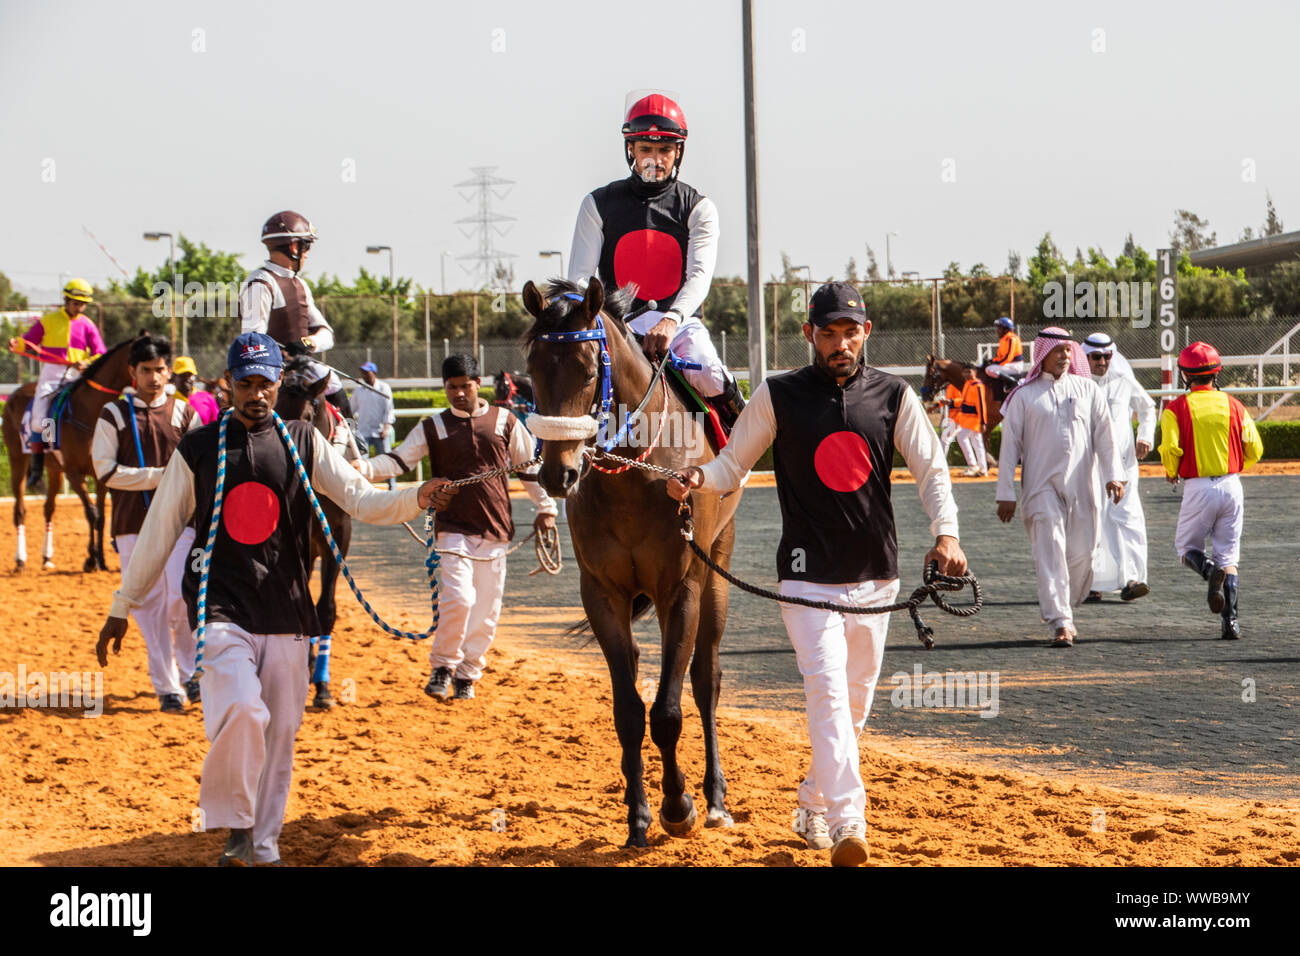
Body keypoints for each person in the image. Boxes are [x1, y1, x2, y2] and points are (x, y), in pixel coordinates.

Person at [96, 331, 455, 866]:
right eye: (246, 383)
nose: (257, 393)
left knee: (281, 734)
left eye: (266, 382)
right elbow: (160, 531)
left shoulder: (305, 439)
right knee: (242, 709)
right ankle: (235, 824)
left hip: (288, 612)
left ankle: (262, 846)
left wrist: (415, 497)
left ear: (279, 382)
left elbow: (359, 498)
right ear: (228, 384)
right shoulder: (197, 447)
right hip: (220, 611)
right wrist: (123, 604)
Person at [666, 282, 965, 867]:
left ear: (866, 333)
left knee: (852, 705)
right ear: (810, 335)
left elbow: (931, 471)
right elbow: (733, 463)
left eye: (849, 332)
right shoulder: (779, 395)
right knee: (826, 694)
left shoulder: (895, 396)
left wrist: (947, 533)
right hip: (805, 578)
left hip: (877, 575)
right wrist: (699, 478)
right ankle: (849, 819)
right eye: (828, 333)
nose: (840, 343)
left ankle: (811, 804)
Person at [352, 354, 558, 701]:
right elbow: (400, 460)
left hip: (495, 529)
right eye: (452, 387)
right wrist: (363, 468)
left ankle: (468, 674)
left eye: (465, 385)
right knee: (459, 599)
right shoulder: (432, 426)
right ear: (444, 388)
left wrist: (547, 508)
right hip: (451, 527)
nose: (459, 393)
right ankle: (443, 667)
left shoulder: (504, 421)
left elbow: (528, 469)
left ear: (478, 384)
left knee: (486, 611)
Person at [566, 91, 745, 429]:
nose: (655, 159)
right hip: (619, 329)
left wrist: (671, 320)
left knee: (708, 371)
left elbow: (700, 277)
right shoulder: (596, 204)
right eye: (645, 149)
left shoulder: (698, 207)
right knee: (568, 373)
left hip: (678, 325)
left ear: (678, 151)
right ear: (630, 149)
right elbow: (579, 279)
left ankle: (740, 439)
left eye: (664, 150)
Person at [92, 335, 202, 710]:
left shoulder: (186, 413)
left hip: (181, 521)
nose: (154, 378)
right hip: (132, 523)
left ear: (168, 370)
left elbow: (201, 468)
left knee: (182, 598)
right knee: (148, 604)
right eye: (146, 371)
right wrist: (159, 476)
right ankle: (167, 686)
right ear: (132, 372)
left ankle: (190, 673)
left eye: (159, 370)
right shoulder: (113, 414)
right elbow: (105, 472)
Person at [995, 328, 1124, 647]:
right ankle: (1061, 622)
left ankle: (1066, 602)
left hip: (1083, 485)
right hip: (1040, 487)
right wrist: (1006, 493)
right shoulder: (1024, 397)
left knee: (1082, 553)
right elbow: (1009, 446)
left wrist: (1114, 475)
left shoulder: (1088, 389)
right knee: (1050, 548)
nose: (1065, 357)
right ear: (1043, 355)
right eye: (1059, 351)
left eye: (1068, 351)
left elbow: (1105, 437)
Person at [1159, 342, 1263, 640]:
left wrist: (1171, 471)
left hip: (1198, 487)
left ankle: (1207, 572)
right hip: (1232, 485)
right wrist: (1237, 464)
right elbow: (1254, 447)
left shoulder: (1175, 409)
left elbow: (1170, 448)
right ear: (1216, 373)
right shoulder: (1235, 405)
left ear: (1184, 375)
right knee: (1229, 556)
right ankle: (1231, 623)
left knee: (1186, 548)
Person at [9, 278, 107, 490]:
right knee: (39, 418)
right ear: (66, 299)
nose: (79, 307)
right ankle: (38, 467)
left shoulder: (88, 325)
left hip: (78, 375)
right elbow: (29, 341)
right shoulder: (48, 320)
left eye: (82, 304)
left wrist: (87, 361)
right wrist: (18, 343)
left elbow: (101, 353)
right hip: (52, 375)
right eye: (75, 302)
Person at [1082, 332, 1156, 603]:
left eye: (1107, 356)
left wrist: (1145, 436)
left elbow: (1147, 407)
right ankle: (1092, 582)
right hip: (1088, 463)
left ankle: (1134, 579)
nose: (1102, 362)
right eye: (1096, 357)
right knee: (1093, 520)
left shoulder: (1123, 378)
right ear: (1085, 356)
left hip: (1124, 463)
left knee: (1129, 518)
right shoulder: (1075, 383)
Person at [351, 361, 396, 491]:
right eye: (362, 372)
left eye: (367, 372)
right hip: (363, 432)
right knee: (362, 461)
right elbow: (351, 409)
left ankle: (392, 487)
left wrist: (386, 427)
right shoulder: (359, 391)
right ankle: (363, 489)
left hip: (381, 432)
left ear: (373, 372)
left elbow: (389, 410)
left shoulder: (384, 388)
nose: (364, 374)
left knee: (387, 461)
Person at [953, 363, 989, 477]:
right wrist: (951, 402)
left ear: (975, 372)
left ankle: (973, 465)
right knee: (977, 443)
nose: (967, 374)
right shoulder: (968, 384)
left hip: (974, 420)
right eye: (965, 371)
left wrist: (983, 421)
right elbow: (963, 401)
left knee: (961, 437)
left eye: (969, 371)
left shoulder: (978, 385)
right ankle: (983, 469)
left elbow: (981, 404)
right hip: (967, 419)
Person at [983, 316, 1024, 400]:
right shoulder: (1003, 339)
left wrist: (995, 363)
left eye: (999, 328)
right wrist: (991, 361)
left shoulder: (1011, 338)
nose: (997, 331)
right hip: (1007, 364)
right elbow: (1000, 357)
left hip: (1014, 365)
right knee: (987, 367)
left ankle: (1012, 382)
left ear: (1006, 329)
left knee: (989, 370)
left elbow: (1008, 358)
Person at [171, 355, 221, 425]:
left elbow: (216, 425)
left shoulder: (207, 398)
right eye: (183, 375)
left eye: (190, 375)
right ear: (174, 377)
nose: (187, 379)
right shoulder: (169, 402)